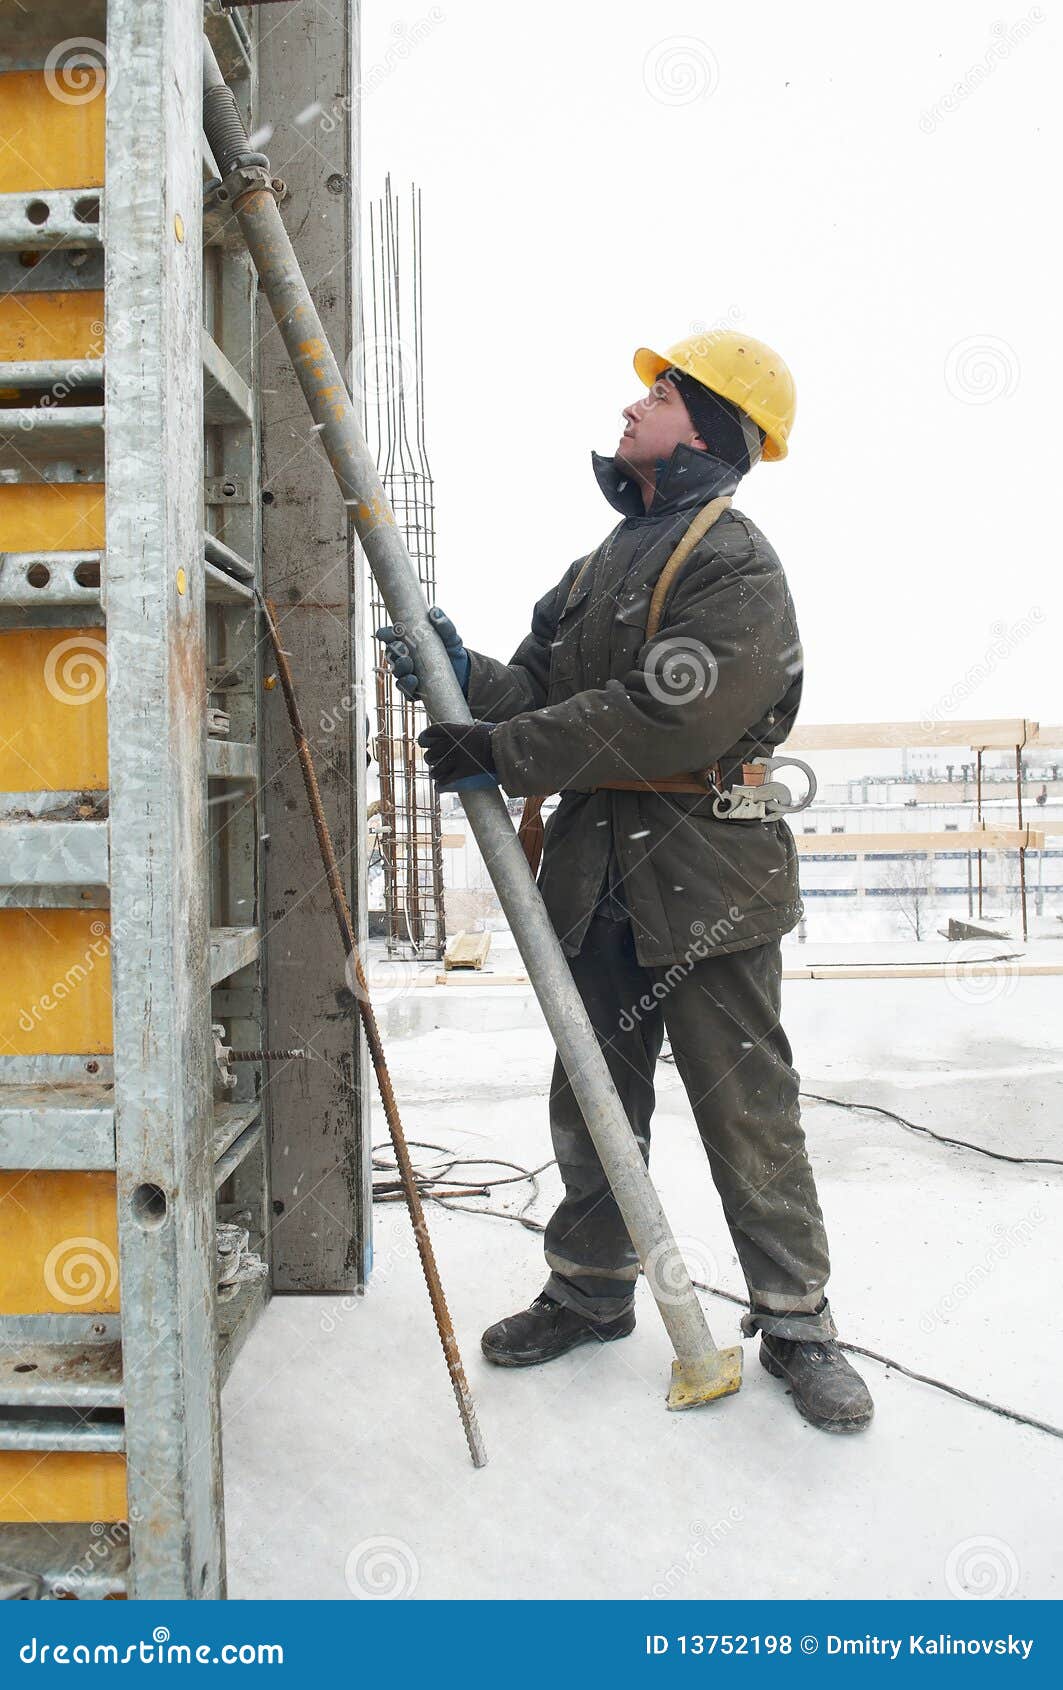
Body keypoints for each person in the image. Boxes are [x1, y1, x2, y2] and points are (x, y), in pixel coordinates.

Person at [376, 330, 873, 1432]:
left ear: (707, 425)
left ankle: (797, 1320)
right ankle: (589, 1291)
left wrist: (500, 753)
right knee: (593, 1097)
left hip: (703, 879)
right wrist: (461, 678)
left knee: (743, 1104)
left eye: (658, 392)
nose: (632, 404)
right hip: (597, 875)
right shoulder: (600, 564)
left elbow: (667, 713)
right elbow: (540, 694)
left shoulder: (733, 562)